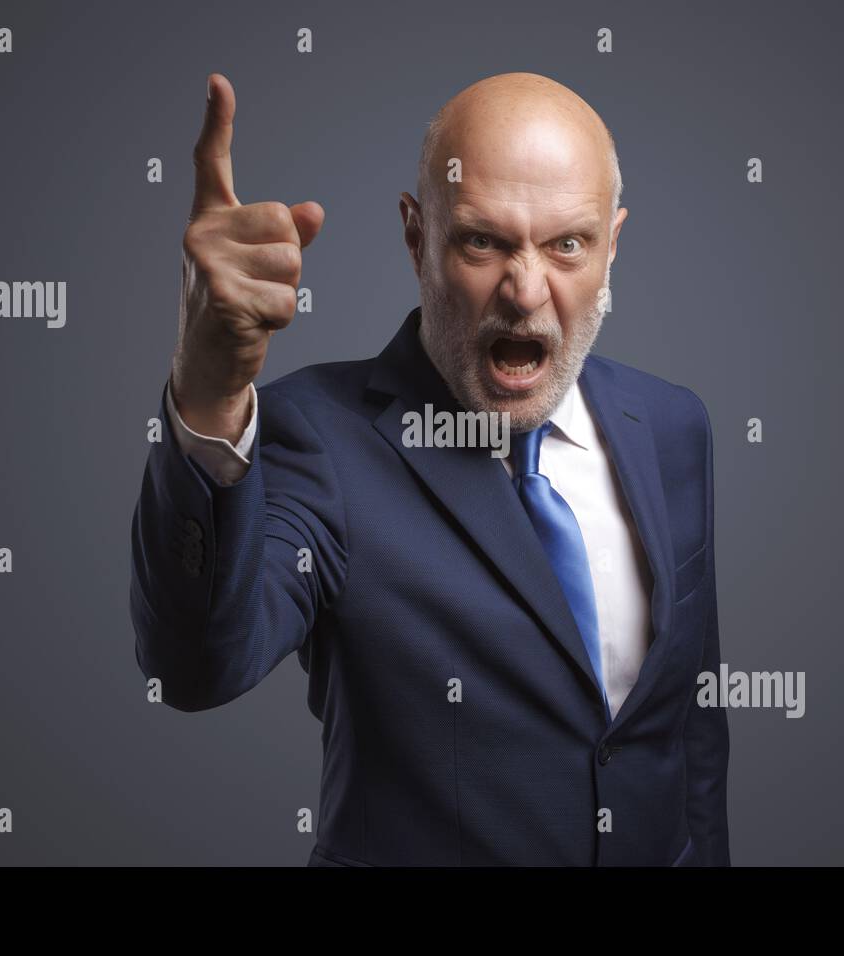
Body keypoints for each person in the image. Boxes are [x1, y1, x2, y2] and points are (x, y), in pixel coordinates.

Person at [130, 71, 729, 866]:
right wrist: (208, 392)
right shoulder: (318, 438)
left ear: (612, 246)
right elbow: (196, 666)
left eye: (568, 245)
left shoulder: (671, 426)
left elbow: (690, 733)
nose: (525, 292)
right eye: (483, 240)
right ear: (417, 236)